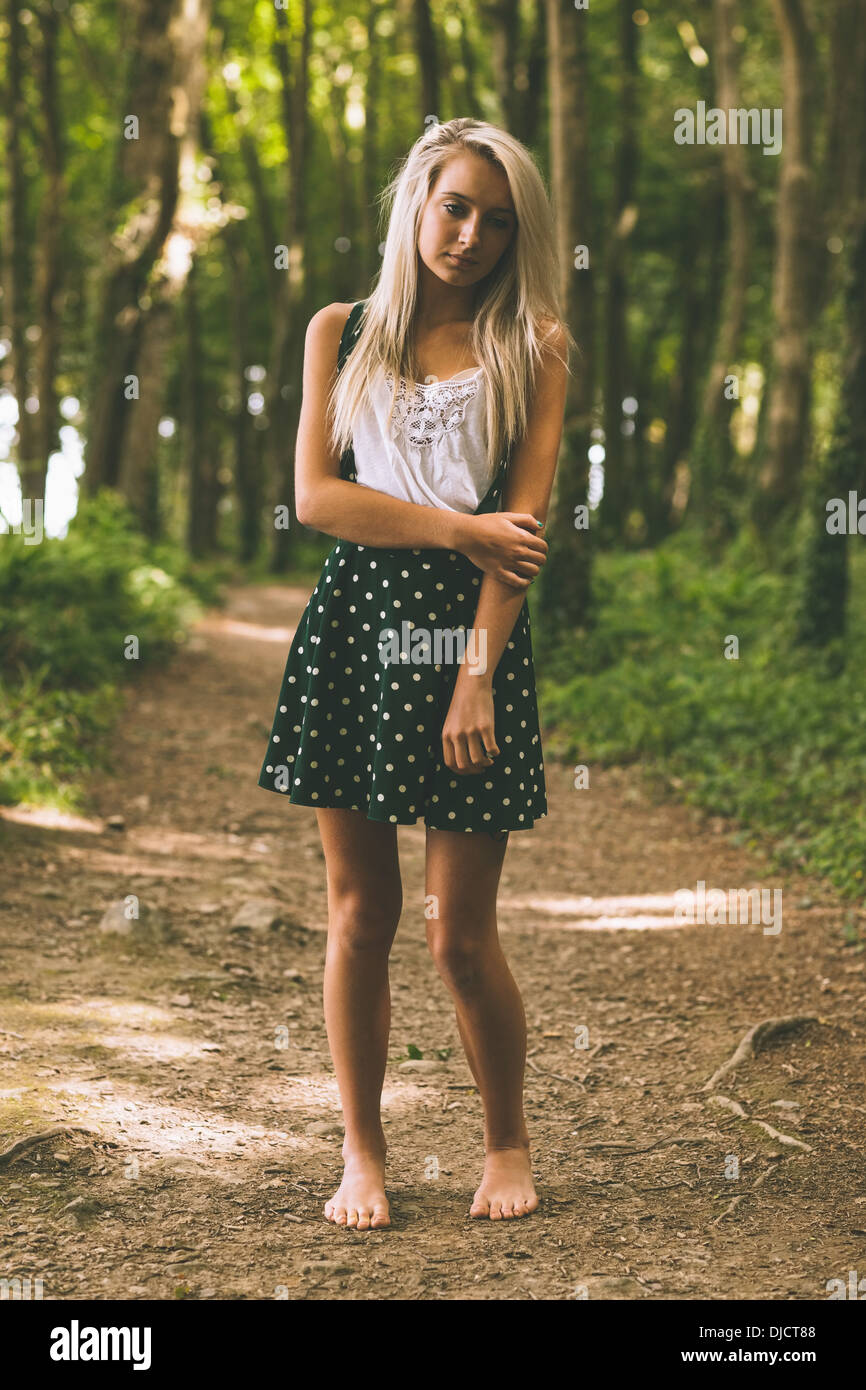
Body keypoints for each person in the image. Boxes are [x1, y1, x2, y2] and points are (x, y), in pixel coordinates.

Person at [258, 116, 571, 1229]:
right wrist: (458, 529)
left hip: (469, 640)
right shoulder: (339, 332)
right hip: (355, 625)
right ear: (414, 203)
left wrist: (475, 673)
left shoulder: (531, 346)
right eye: (455, 206)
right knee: (359, 912)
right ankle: (361, 1155)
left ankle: (505, 1141)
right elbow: (317, 500)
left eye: (496, 218)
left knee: (458, 931)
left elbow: (520, 534)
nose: (472, 233)